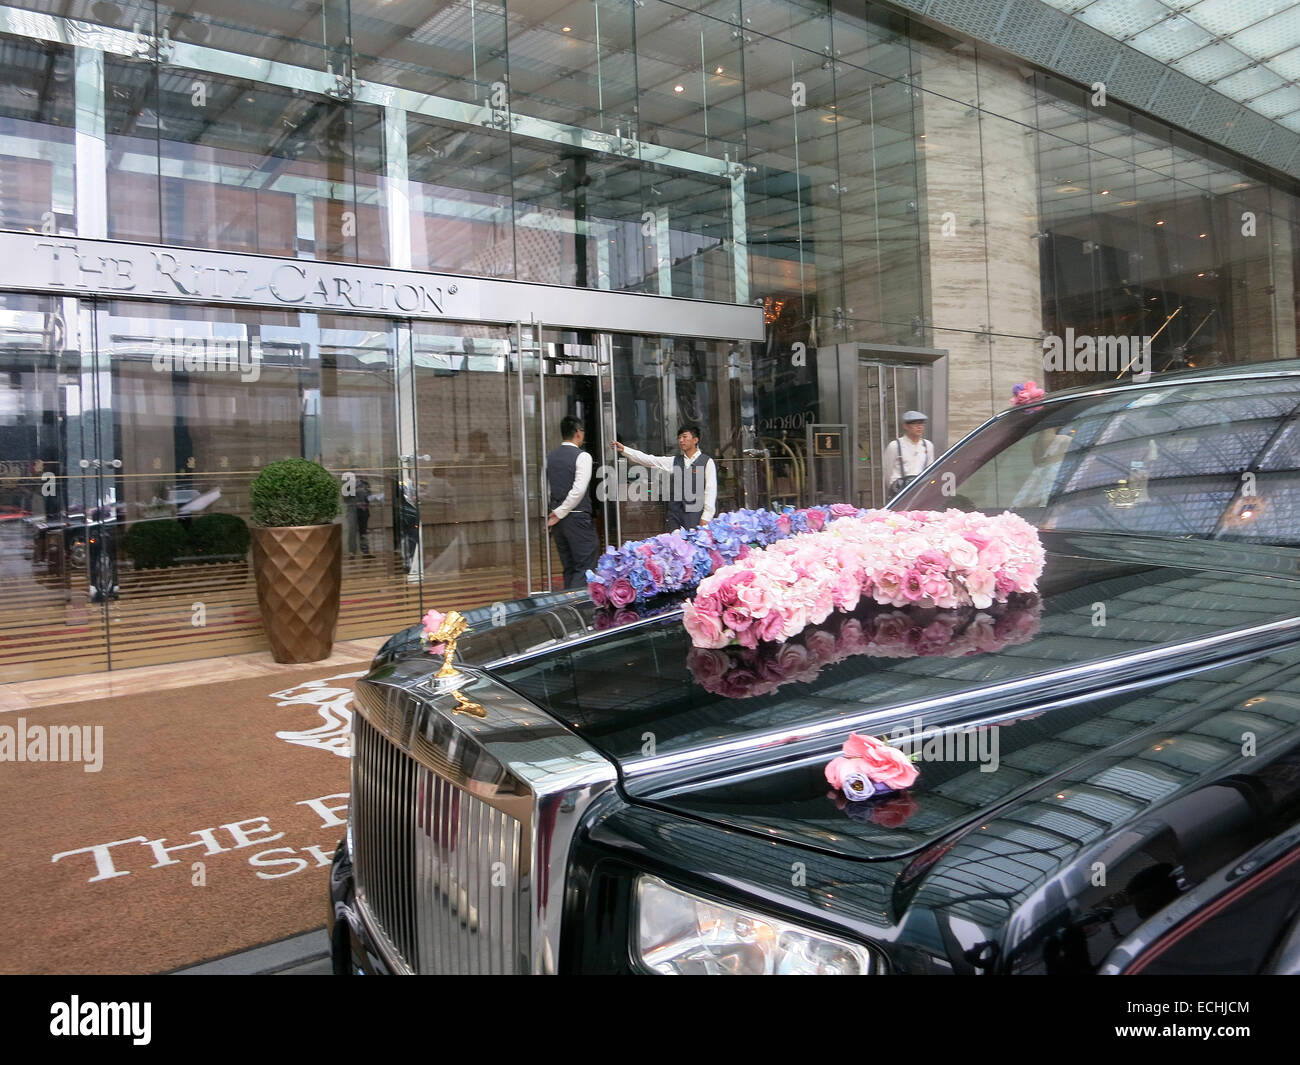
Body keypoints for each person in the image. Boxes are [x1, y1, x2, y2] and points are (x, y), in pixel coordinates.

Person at [613, 424, 717, 530]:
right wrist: (625, 450)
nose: (681, 440)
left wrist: (706, 517)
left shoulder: (707, 462)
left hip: (696, 516)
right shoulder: (674, 461)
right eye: (679, 438)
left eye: (685, 437)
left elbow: (710, 491)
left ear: (695, 440)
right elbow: (650, 460)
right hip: (675, 517)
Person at [545, 415, 600, 589]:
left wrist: (554, 513)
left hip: (558, 521)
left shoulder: (550, 457)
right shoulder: (582, 456)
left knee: (569, 567)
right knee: (585, 565)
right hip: (576, 518)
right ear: (578, 432)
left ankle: (567, 609)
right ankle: (580, 611)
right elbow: (578, 490)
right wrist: (560, 512)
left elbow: (546, 488)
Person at [884, 411, 934, 496]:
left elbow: (930, 469)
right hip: (900, 490)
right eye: (915, 424)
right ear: (905, 426)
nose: (919, 427)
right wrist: (894, 487)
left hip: (920, 490)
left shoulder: (928, 445)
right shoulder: (895, 445)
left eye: (921, 424)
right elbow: (887, 472)